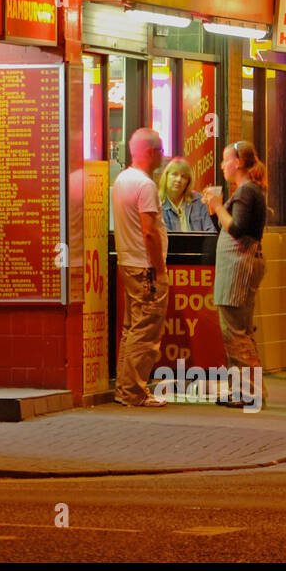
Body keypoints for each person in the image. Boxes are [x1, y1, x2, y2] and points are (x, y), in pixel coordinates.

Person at [203, 141, 270, 407]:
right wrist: (214, 210)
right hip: (240, 265)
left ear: (238, 162)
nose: (222, 165)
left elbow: (238, 228)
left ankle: (248, 392)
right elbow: (226, 226)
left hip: (239, 266)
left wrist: (219, 206)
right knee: (239, 330)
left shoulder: (247, 192)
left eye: (225, 160)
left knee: (236, 332)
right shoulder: (247, 191)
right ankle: (245, 389)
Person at [111, 128, 170, 408]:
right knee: (145, 331)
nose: (162, 156)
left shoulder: (121, 180)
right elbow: (149, 231)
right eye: (160, 151)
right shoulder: (145, 186)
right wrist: (159, 270)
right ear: (150, 153)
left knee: (131, 329)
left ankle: (126, 388)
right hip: (145, 268)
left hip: (128, 264)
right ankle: (133, 391)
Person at [159, 157, 217, 233]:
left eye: (183, 177)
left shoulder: (198, 200)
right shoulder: (158, 203)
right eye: (174, 174)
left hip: (199, 244)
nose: (178, 179)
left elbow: (211, 229)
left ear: (188, 182)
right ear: (166, 177)